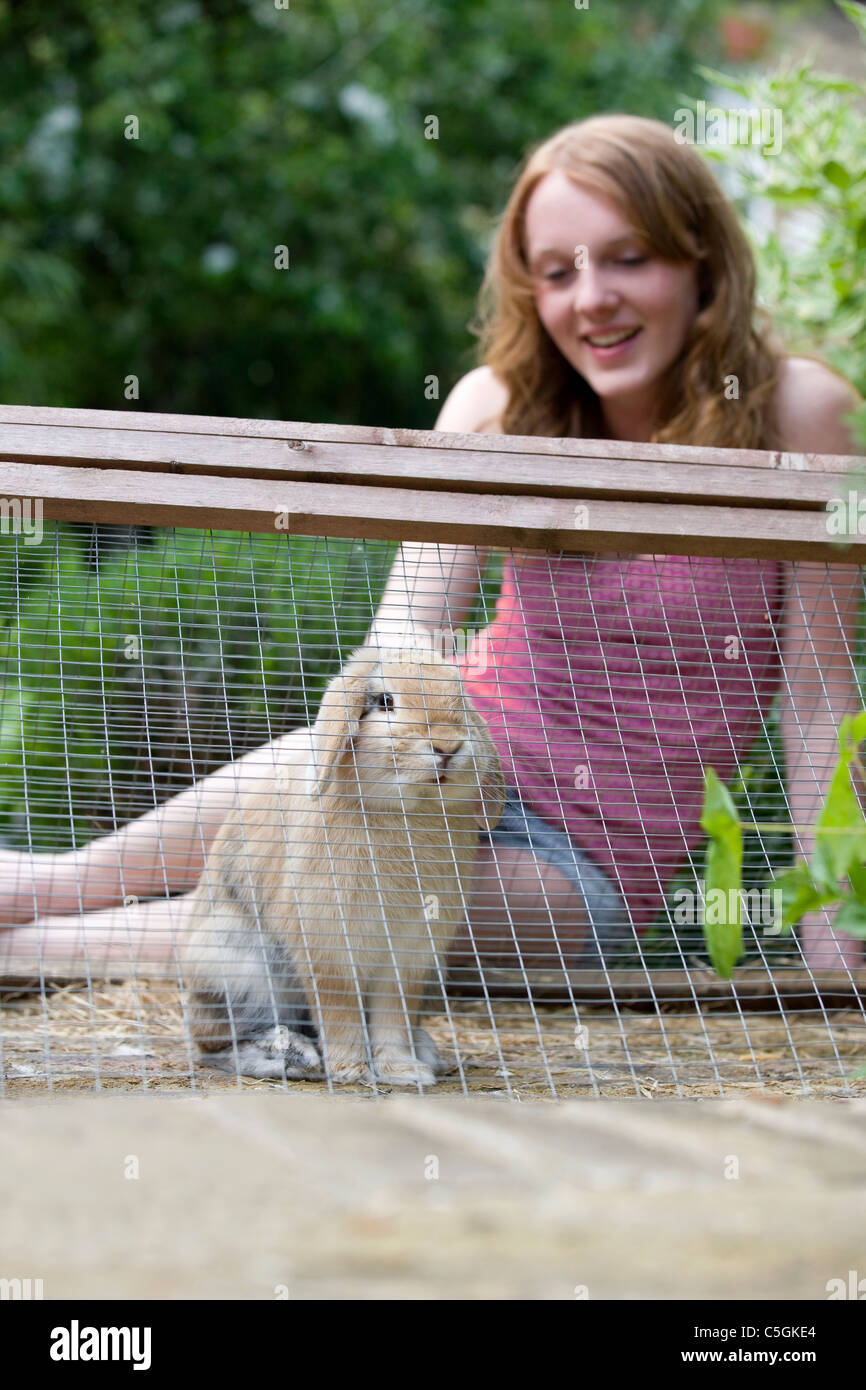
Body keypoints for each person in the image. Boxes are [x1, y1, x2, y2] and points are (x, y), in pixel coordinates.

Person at [0, 113, 862, 980]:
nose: (592, 297)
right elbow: (406, 636)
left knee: (321, 915)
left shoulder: (799, 416)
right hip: (452, 761)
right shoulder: (499, 406)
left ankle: (31, 944)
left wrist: (839, 960)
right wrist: (360, 766)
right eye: (558, 272)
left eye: (630, 257)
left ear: (702, 260)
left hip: (583, 867)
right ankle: (37, 889)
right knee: (312, 784)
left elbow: (820, 701)